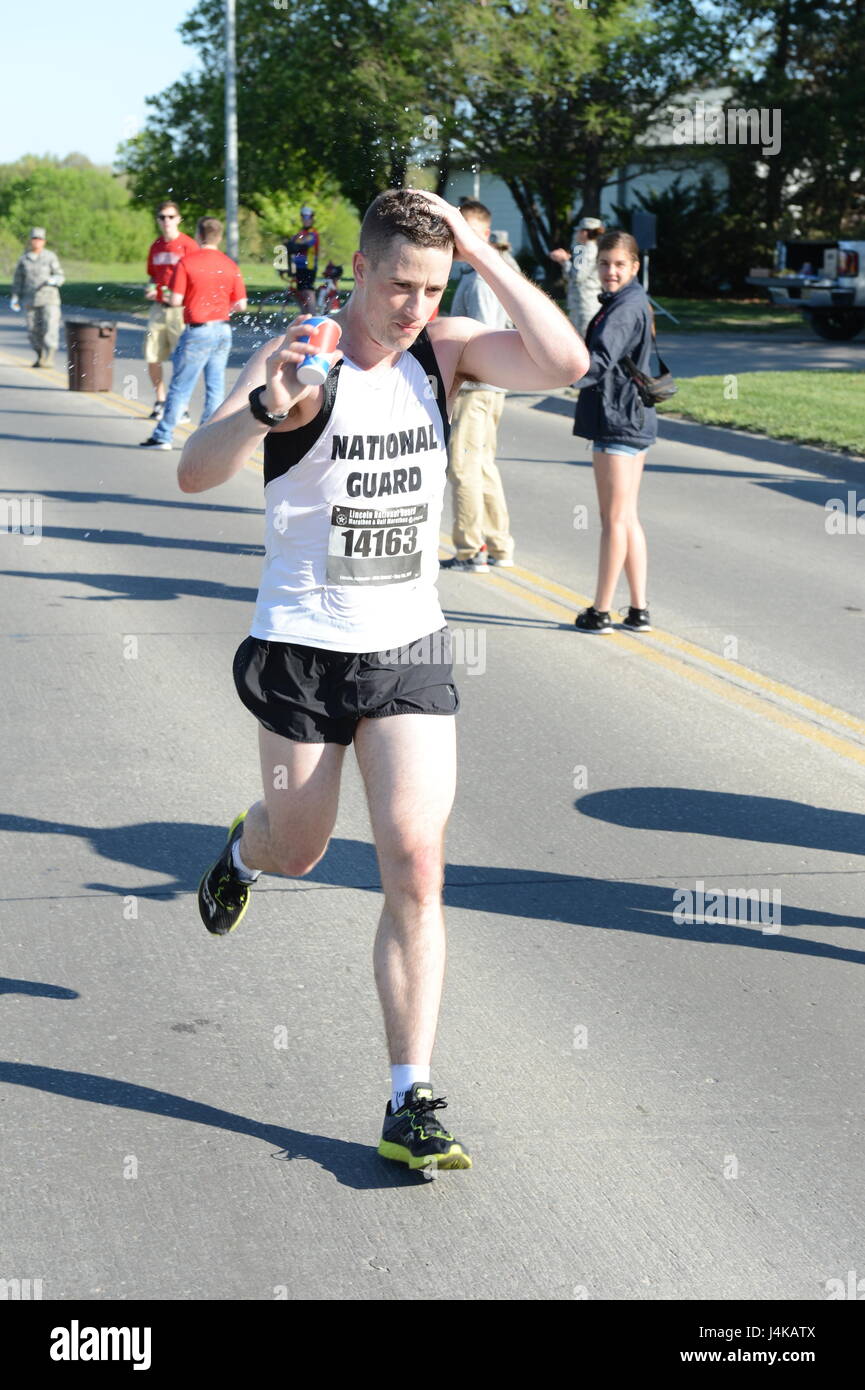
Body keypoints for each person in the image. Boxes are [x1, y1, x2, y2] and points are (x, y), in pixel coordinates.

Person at [179, 189, 587, 1171]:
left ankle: (411, 1096)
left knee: (415, 860)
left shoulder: (441, 349)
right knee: (302, 848)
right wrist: (262, 412)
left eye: (431, 287)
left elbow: (568, 363)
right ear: (358, 269)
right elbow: (195, 470)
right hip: (301, 650)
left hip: (407, 645)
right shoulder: (299, 353)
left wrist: (483, 257)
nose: (412, 303)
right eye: (399, 283)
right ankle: (248, 848)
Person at [571, 229, 656, 634]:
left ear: (634, 266)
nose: (610, 271)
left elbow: (599, 359)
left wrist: (561, 372)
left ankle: (601, 611)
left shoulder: (624, 307)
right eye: (604, 263)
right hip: (629, 417)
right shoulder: (629, 300)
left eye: (619, 264)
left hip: (618, 419)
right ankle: (639, 610)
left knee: (613, 519)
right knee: (627, 517)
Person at [441, 198, 515, 571]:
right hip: (490, 387)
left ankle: (471, 550)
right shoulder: (493, 270)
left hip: (477, 389)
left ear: (483, 233)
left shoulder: (482, 278)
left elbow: (484, 335)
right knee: (483, 466)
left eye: (464, 232)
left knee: (462, 467)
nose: (457, 241)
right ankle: (499, 545)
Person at [140, 217, 247, 450]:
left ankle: (163, 435)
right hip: (222, 330)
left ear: (199, 235)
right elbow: (241, 304)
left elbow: (177, 300)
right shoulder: (230, 264)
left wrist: (163, 296)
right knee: (215, 386)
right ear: (219, 237)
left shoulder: (187, 262)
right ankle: (207, 438)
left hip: (198, 330)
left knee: (181, 384)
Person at [143, 201, 198, 420]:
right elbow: (153, 275)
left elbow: (196, 278)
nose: (167, 221)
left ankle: (181, 405)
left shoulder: (188, 245)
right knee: (152, 355)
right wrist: (149, 288)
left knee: (181, 359)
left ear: (179, 219)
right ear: (158, 220)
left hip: (180, 310)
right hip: (158, 308)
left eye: (171, 217)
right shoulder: (156, 246)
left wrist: (181, 295)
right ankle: (161, 400)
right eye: (162, 217)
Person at [10, 228, 65, 367]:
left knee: (50, 328)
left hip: (49, 298)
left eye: (39, 239)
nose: (37, 241)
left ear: (44, 241)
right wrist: (15, 297)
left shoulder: (50, 257)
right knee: (33, 330)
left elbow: (60, 275)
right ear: (30, 241)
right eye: (34, 238)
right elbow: (18, 280)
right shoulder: (24, 259)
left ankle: (49, 357)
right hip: (30, 299)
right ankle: (40, 355)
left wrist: (55, 280)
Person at [549, 216, 605, 339]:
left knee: (584, 343)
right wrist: (567, 261)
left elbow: (577, 276)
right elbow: (574, 274)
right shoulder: (583, 249)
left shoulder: (586, 250)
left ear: (585, 232)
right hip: (581, 303)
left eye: (578, 231)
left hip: (586, 305)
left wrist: (564, 260)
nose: (576, 233)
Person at [284, 204, 320, 313]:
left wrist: (293, 246)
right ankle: (305, 315)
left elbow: (302, 245)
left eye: (308, 217)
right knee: (300, 293)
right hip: (299, 267)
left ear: (312, 218)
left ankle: (313, 316)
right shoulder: (300, 233)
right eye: (303, 217)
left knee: (308, 292)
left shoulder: (313, 233)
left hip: (308, 266)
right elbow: (290, 245)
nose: (305, 220)